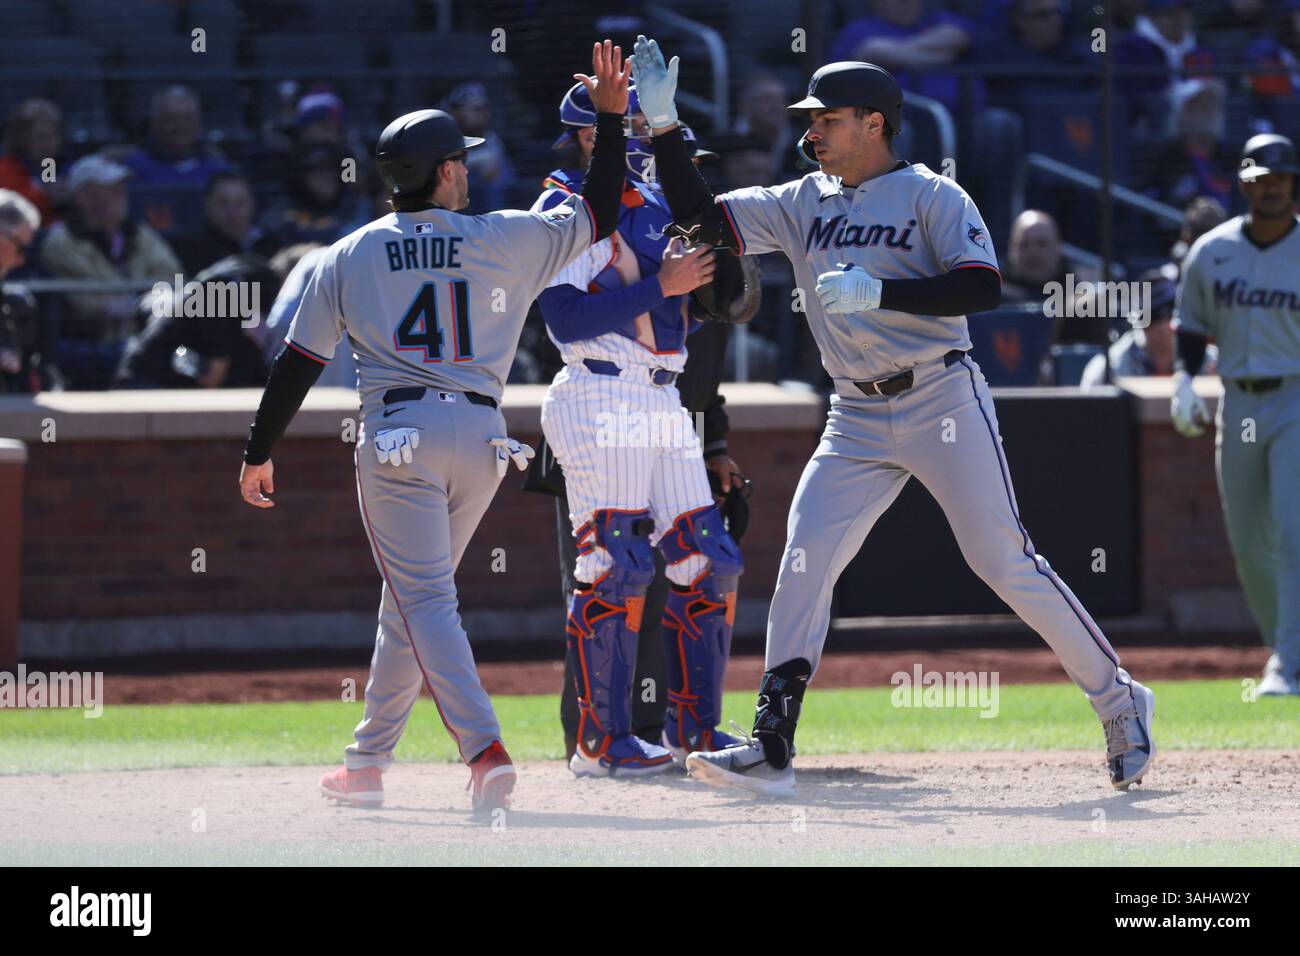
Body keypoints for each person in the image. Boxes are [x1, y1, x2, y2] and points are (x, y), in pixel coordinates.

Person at [632, 37, 1157, 796]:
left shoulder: (933, 195)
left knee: (1001, 558)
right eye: (810, 119)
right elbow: (702, 219)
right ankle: (772, 741)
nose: (810, 131)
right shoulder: (800, 199)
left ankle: (1120, 701)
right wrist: (662, 122)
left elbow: (980, 287)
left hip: (941, 394)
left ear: (875, 123)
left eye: (828, 119)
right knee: (805, 560)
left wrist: (883, 293)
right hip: (854, 413)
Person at [237, 41, 632, 812]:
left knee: (422, 601)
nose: (466, 170)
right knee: (412, 601)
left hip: (398, 437)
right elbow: (604, 207)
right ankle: (366, 763)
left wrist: (259, 449)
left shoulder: (346, 253)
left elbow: (297, 365)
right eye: (460, 161)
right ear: (444, 172)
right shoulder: (504, 236)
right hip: (484, 440)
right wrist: (612, 121)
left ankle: (483, 750)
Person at [530, 78, 757, 775]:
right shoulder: (566, 204)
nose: (635, 137)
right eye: (621, 125)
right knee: (615, 564)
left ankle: (697, 731)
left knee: (708, 556)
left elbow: (728, 299)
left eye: (639, 124)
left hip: (662, 396)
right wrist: (664, 285)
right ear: (588, 132)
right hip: (599, 388)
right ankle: (601, 742)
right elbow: (562, 318)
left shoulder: (660, 204)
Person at [1171, 133, 1300, 696]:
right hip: (1239, 401)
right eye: (1259, 181)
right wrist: (1181, 380)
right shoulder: (1212, 251)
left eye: (1279, 180)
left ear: (1293, 183)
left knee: (1294, 530)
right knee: (1248, 542)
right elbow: (1192, 329)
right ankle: (1286, 649)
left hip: (1296, 395)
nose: (1270, 190)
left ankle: (1287, 665)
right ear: (1243, 186)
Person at [40, 155, 183, 388]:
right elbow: (90, 304)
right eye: (111, 189)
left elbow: (172, 276)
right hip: (94, 345)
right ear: (85, 198)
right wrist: (145, 300)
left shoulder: (139, 233)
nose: (122, 194)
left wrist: (135, 304)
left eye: (121, 187)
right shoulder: (61, 242)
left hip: (148, 337)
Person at [1079, 269, 1217, 388]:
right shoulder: (1108, 368)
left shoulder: (1212, 362)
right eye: (1152, 319)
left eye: (1173, 314)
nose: (1166, 327)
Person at [171, 171, 260, 275]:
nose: (231, 212)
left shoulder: (270, 244)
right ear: (208, 205)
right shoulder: (191, 252)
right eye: (223, 202)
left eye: (240, 203)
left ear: (252, 205)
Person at [0, 98, 65, 225]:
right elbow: (12, 209)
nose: (49, 144)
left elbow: (50, 194)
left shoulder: (48, 163)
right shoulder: (5, 169)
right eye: (41, 137)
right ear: (21, 139)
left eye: (53, 136)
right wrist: (47, 196)